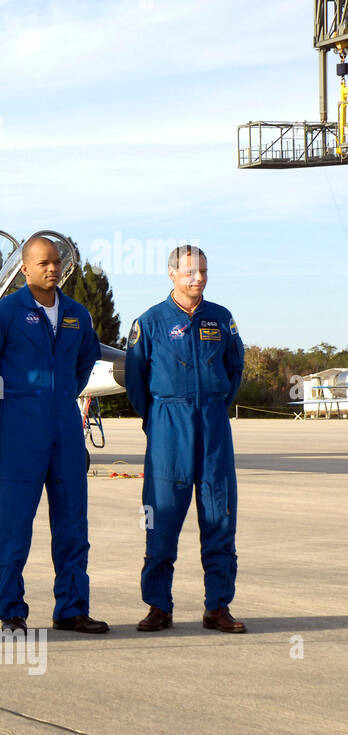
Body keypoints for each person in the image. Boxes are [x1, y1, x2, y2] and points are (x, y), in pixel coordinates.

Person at [0, 237, 108, 633]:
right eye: (44, 263)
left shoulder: (78, 315)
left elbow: (84, 364)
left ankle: (72, 608)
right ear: (25, 269)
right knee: (14, 525)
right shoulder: (6, 313)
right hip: (21, 429)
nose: (53, 269)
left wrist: (60, 395)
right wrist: (12, 406)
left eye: (57, 262)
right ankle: (11, 610)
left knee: (72, 523)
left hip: (64, 426)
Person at [125, 245, 246, 633]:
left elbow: (235, 368)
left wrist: (213, 407)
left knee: (219, 516)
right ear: (172, 274)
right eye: (191, 272)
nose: (199, 278)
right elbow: (135, 380)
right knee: (160, 518)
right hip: (167, 425)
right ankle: (159, 606)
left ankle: (218, 606)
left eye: (204, 271)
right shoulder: (151, 321)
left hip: (212, 424)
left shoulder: (221, 319)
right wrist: (159, 419)